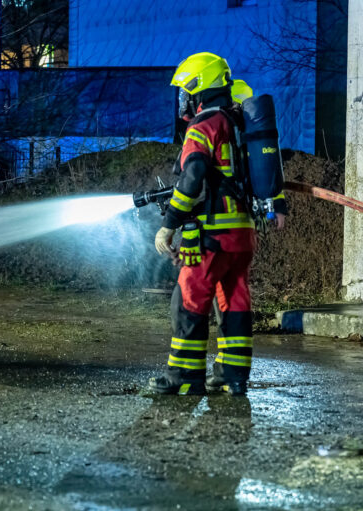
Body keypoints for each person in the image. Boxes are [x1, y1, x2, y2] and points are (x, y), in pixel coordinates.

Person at [149, 52, 286, 396]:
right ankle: (232, 375)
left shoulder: (203, 126)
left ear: (199, 87)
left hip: (211, 236)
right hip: (243, 234)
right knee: (234, 301)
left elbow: (193, 175)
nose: (183, 99)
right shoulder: (240, 123)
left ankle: (183, 377)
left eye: (185, 90)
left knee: (189, 301)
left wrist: (169, 224)